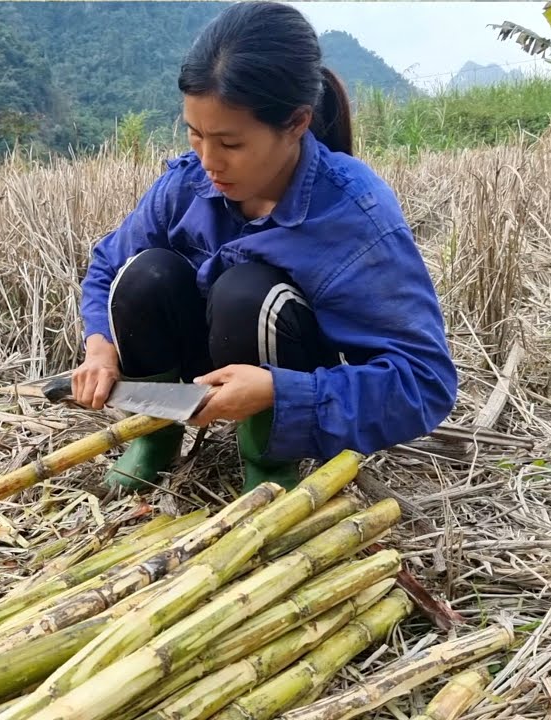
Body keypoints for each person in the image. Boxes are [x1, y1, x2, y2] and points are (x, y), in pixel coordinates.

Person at [71, 1, 457, 494]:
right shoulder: (187, 185)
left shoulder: (352, 216)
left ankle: (269, 459)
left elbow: (423, 383)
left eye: (230, 144)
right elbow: (108, 264)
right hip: (202, 363)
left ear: (296, 123)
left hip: (281, 364)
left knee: (247, 291)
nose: (208, 161)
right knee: (143, 273)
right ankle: (156, 435)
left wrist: (282, 391)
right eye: (195, 135)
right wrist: (100, 348)